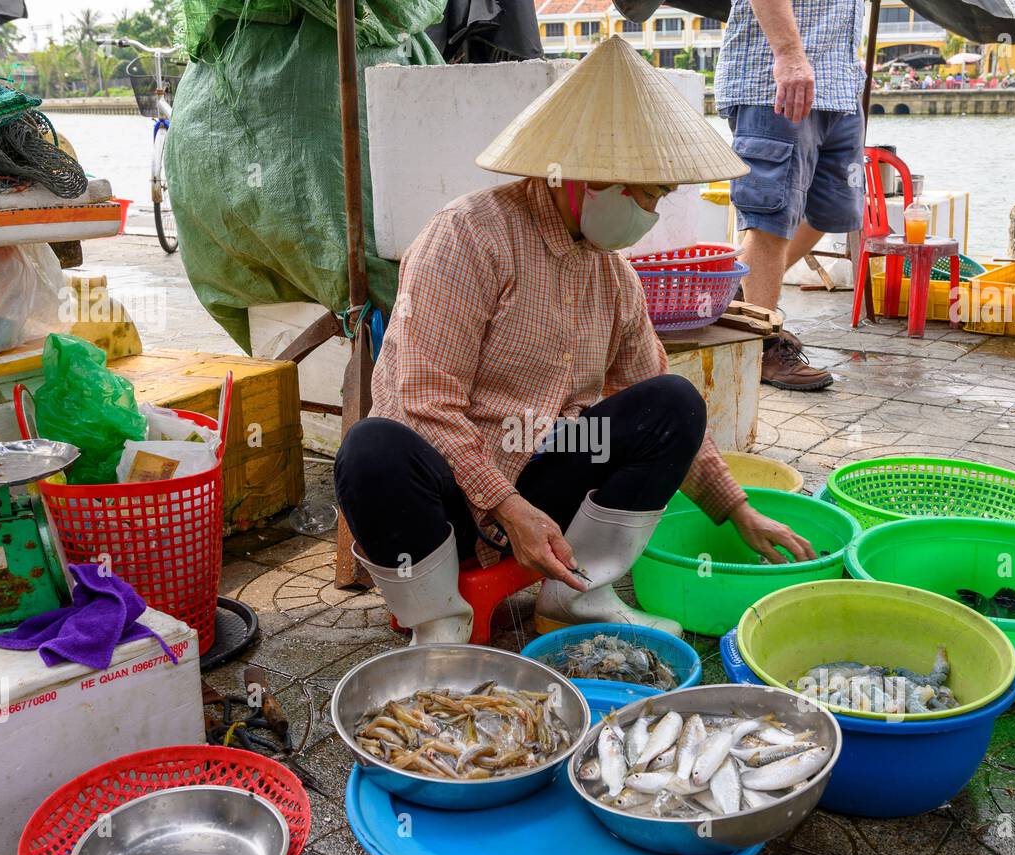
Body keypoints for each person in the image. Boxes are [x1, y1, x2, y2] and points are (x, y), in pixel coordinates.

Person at [333, 37, 816, 646]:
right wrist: (507, 507)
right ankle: (437, 621)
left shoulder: (613, 277)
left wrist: (737, 507)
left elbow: (653, 392)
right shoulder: (469, 237)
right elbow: (424, 403)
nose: (649, 211)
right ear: (584, 177)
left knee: (674, 404)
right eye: (644, 193)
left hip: (538, 468)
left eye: (658, 196)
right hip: (448, 493)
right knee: (370, 447)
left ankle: (579, 592)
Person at [715, 0, 868, 391]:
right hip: (778, 86)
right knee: (771, 218)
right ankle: (760, 346)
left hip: (840, 86)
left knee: (835, 212)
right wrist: (789, 56)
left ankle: (740, 295)